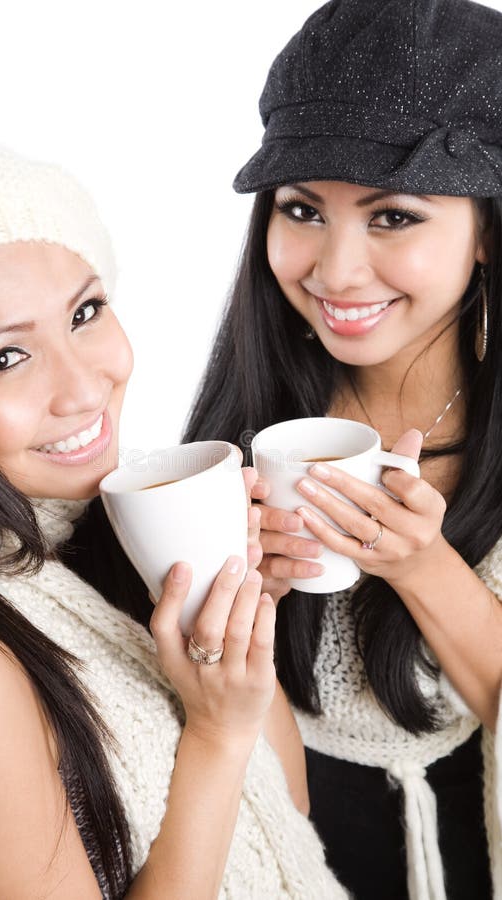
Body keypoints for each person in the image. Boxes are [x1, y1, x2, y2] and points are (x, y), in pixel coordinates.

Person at [0, 135, 345, 899]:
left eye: (85, 312)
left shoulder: (104, 531)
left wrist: (237, 614)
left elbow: (283, 826)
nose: (85, 387)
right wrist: (214, 735)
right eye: (5, 358)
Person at [183, 0, 502, 897]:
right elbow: (231, 774)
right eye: (302, 210)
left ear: (487, 231)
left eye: (392, 216)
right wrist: (237, 609)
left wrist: (421, 565)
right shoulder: (238, 434)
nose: (334, 270)